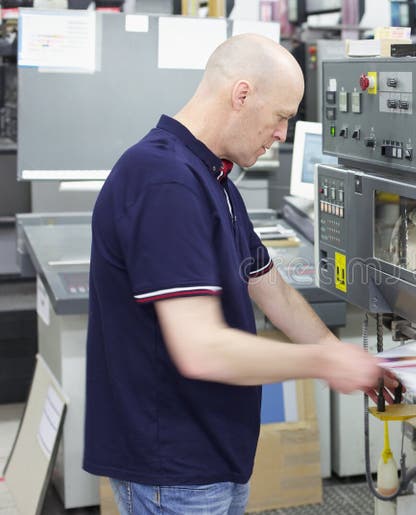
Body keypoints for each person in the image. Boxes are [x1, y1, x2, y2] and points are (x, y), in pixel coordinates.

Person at [84, 34, 389, 514]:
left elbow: (271, 289)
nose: (283, 134)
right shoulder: (164, 180)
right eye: (282, 116)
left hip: (213, 451)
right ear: (242, 95)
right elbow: (201, 350)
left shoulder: (212, 179)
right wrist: (325, 365)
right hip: (173, 462)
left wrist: (336, 350)